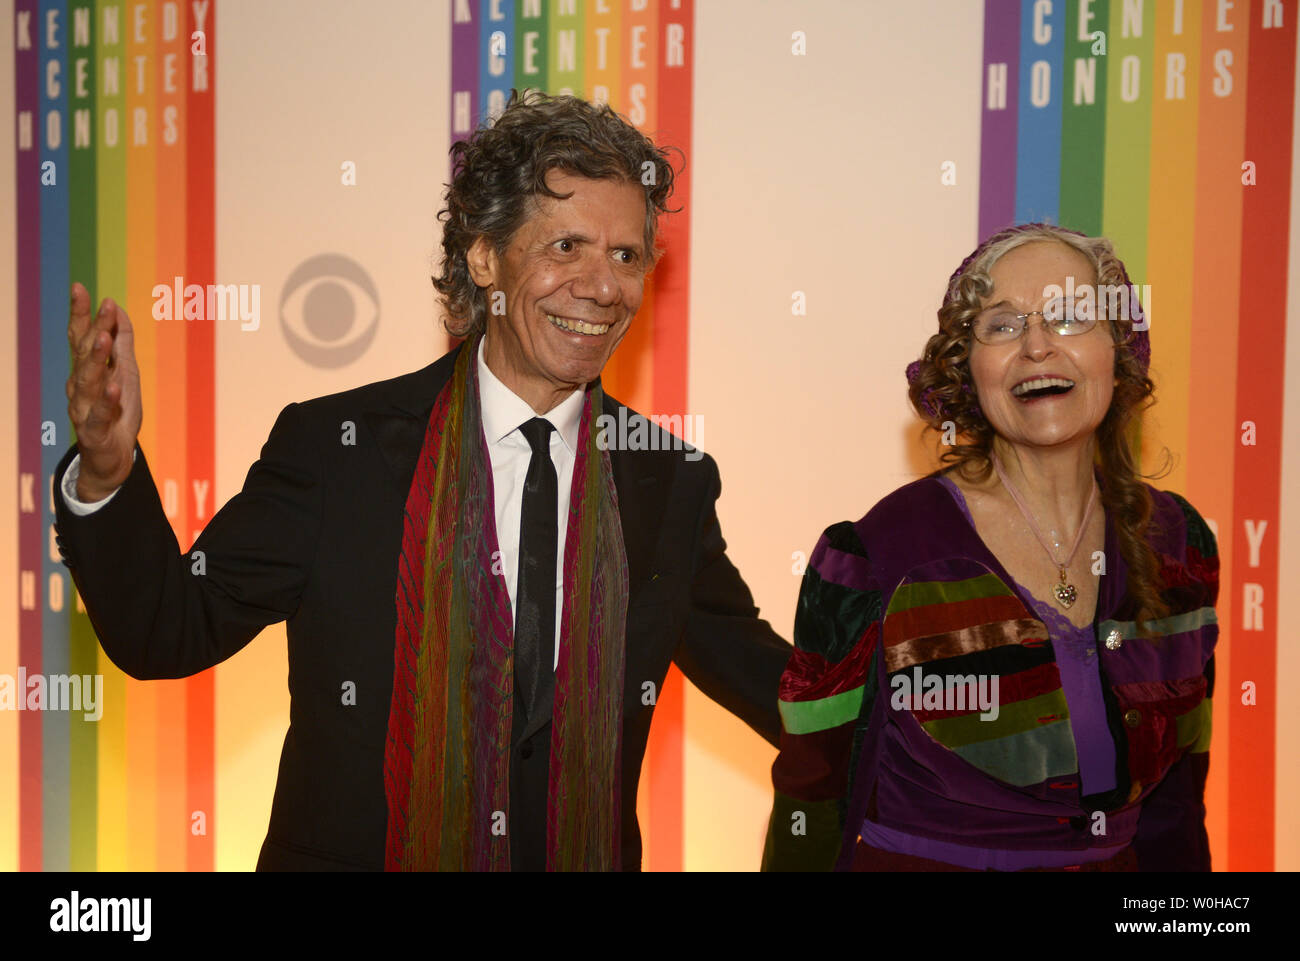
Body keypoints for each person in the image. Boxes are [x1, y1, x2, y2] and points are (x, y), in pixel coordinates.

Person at [56, 89, 792, 871]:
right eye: (566, 247)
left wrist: (919, 686)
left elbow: (774, 685)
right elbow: (164, 630)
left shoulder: (665, 482)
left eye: (626, 255)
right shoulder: (338, 451)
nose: (604, 286)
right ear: (485, 258)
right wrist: (107, 471)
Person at [762, 223, 1217, 872]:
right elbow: (811, 809)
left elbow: (1175, 813)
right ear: (965, 370)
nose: (1036, 346)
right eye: (1002, 326)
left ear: (1118, 351)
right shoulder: (875, 557)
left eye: (1067, 317)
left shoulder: (1180, 545)